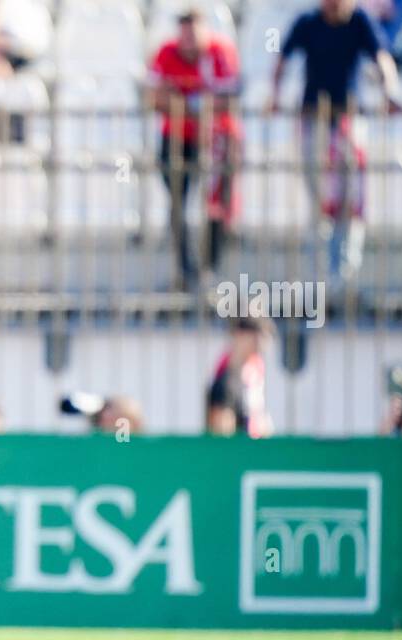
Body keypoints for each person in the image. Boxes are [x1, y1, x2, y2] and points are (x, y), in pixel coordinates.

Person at [270, 0, 402, 283]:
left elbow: (382, 58)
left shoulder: (360, 22)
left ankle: (344, 272)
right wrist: (275, 95)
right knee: (320, 198)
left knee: (351, 196)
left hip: (348, 120)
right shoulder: (308, 23)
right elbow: (282, 58)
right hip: (314, 118)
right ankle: (320, 273)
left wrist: (389, 90)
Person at [147, 5, 241, 289]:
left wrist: (184, 103)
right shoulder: (166, 52)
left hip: (216, 136)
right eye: (184, 33)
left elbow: (229, 99)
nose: (188, 40)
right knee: (177, 201)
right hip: (177, 137)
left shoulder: (220, 52)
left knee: (215, 203)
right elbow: (154, 98)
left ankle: (210, 268)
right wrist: (198, 105)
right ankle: (184, 269)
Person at [205, 313, 274, 438]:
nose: (262, 343)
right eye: (256, 337)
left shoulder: (252, 375)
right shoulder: (225, 382)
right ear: (240, 335)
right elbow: (221, 432)